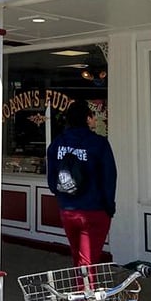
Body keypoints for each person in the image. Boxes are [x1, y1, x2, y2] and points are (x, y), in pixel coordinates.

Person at [46, 99, 118, 267]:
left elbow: (52, 181)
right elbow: (109, 177)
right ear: (87, 118)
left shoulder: (57, 143)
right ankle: (86, 292)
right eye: (92, 116)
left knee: (78, 258)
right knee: (88, 262)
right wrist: (109, 207)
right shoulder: (99, 143)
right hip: (94, 209)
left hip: (68, 209)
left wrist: (64, 197)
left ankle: (82, 290)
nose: (94, 120)